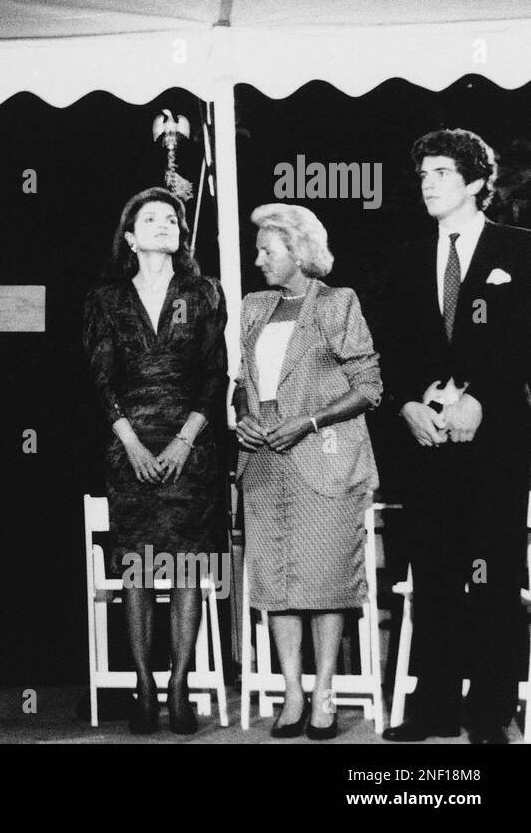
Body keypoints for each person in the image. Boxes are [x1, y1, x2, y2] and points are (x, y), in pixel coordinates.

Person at [378, 129, 531, 744]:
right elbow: (388, 350)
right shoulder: (404, 259)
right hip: (426, 450)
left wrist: (483, 402)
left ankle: (490, 711)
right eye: (422, 175)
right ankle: (434, 706)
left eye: (441, 173)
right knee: (435, 577)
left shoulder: (521, 251)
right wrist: (409, 406)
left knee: (492, 580)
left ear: (474, 182)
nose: (428, 184)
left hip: (494, 448)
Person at [82, 187, 228, 735]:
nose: (165, 223)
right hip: (129, 449)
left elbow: (216, 376)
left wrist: (185, 440)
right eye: (151, 218)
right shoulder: (105, 299)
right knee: (139, 570)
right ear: (130, 236)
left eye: (172, 218)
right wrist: (133, 445)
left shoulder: (205, 291)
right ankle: (144, 686)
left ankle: (180, 684)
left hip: (193, 449)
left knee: (189, 570)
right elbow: (99, 381)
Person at [234, 203, 381, 740]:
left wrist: (309, 421)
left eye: (266, 251)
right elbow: (240, 383)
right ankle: (291, 693)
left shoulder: (337, 303)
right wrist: (244, 418)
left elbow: (369, 386)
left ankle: (325, 693)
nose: (258, 260)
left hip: (324, 457)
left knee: (325, 579)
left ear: (297, 251)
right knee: (276, 581)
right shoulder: (253, 307)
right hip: (265, 462)